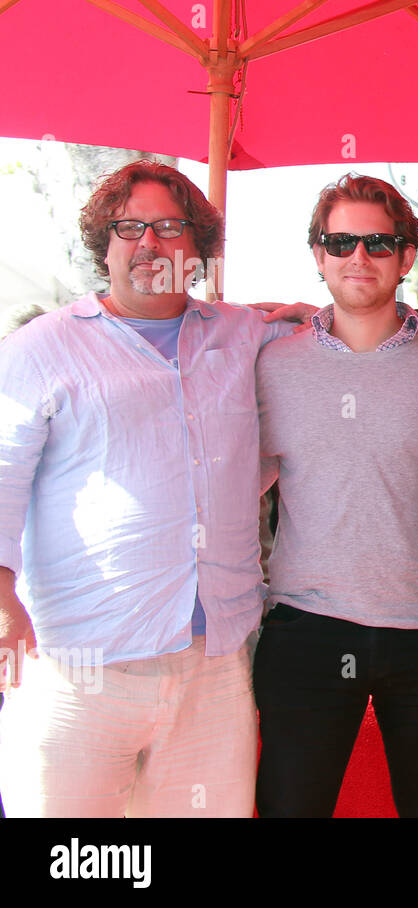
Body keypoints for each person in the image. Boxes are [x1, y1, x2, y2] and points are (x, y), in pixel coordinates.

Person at [0, 161, 305, 817]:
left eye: (170, 227)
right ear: (103, 245)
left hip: (214, 668)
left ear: (197, 248)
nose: (149, 244)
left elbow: (353, 344)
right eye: (129, 227)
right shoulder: (39, 350)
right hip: (78, 668)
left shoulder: (244, 334)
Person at [254, 174, 418, 817]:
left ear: (408, 256)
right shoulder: (270, 364)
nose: (358, 257)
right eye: (340, 241)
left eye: (379, 242)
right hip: (307, 627)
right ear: (318, 255)